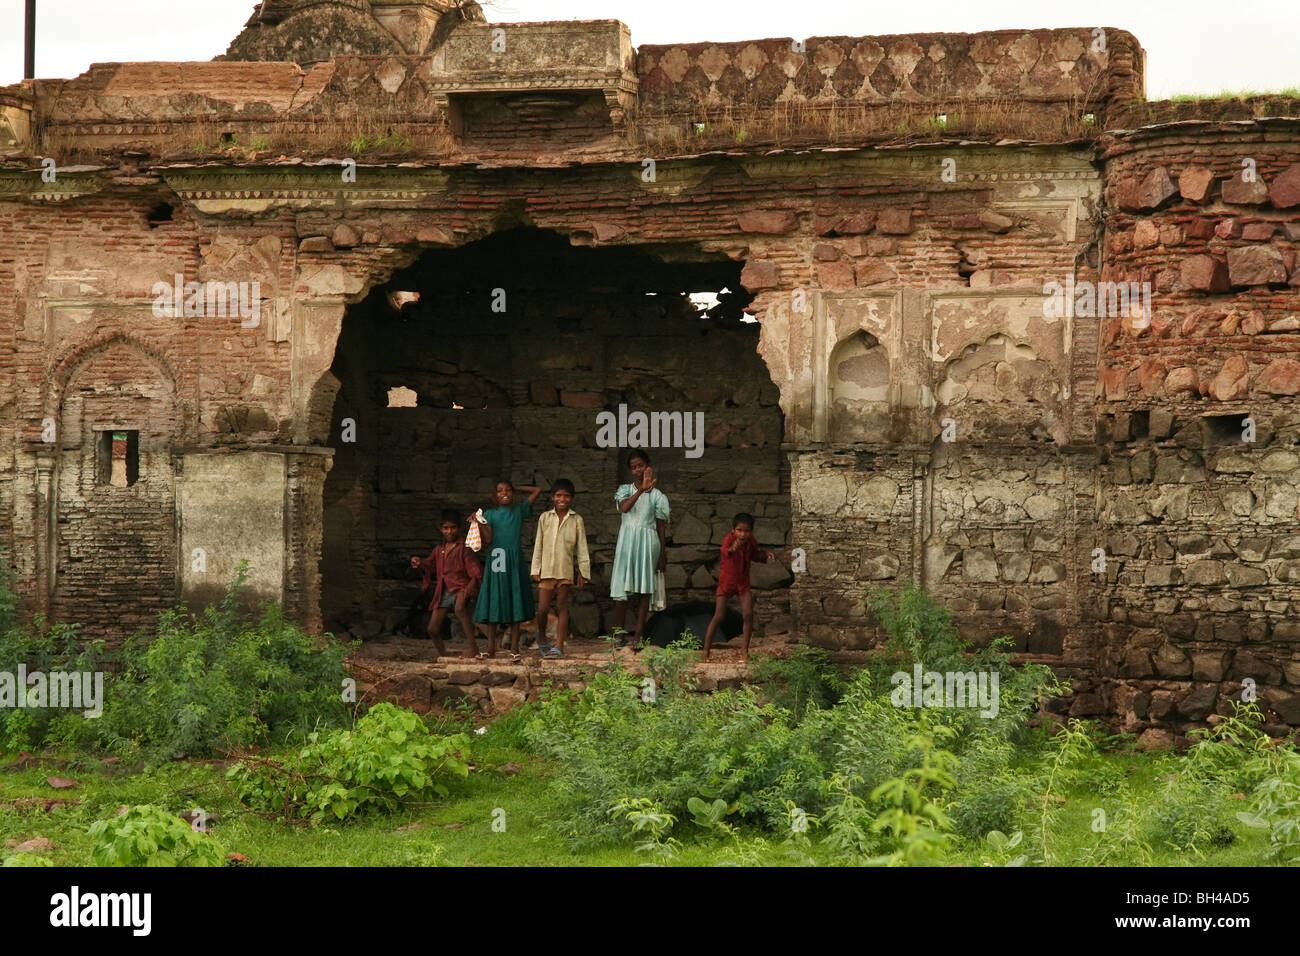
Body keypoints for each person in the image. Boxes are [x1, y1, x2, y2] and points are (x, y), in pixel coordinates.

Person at [471, 479, 541, 659]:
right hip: (497, 556)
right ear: (495, 495)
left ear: (513, 493)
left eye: (508, 490)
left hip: (514, 558)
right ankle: (491, 648)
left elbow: (537, 490)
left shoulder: (518, 510)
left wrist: (517, 486)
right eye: (500, 491)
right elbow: (488, 540)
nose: (504, 493)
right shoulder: (490, 514)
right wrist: (479, 523)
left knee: (514, 599)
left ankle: (515, 649)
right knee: (496, 597)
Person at [608, 449, 669, 648]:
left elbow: (661, 527)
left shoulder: (659, 497)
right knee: (622, 590)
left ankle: (638, 637)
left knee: (644, 592)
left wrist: (662, 555)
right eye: (633, 467)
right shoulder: (625, 490)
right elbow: (624, 508)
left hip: (648, 543)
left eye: (640, 466)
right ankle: (618, 636)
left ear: (648, 466)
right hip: (627, 543)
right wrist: (641, 489)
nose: (636, 470)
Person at [702, 512, 778, 663]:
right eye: (739, 530)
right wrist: (732, 549)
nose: (743, 534)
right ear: (733, 530)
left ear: (751, 531)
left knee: (748, 615)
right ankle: (705, 651)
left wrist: (766, 555)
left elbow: (755, 555)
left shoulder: (751, 542)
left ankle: (744, 651)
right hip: (727, 583)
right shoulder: (728, 540)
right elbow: (725, 552)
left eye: (747, 531)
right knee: (719, 617)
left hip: (743, 583)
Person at [530, 478, 591, 658]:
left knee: (562, 606)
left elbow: (582, 547)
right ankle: (542, 637)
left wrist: (583, 571)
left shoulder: (576, 520)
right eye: (558, 495)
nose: (562, 499)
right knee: (542, 609)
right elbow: (538, 544)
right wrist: (535, 568)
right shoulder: (545, 518)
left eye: (566, 496)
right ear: (552, 498)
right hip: (547, 570)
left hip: (565, 570)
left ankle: (559, 646)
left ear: (571, 498)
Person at [410, 510, 483, 658]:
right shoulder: (439, 549)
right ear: (441, 529)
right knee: (432, 628)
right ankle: (444, 654)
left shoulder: (465, 547)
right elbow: (429, 565)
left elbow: (475, 572)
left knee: (460, 609)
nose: (449, 531)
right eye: (446, 528)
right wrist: (419, 562)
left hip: (461, 587)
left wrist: (468, 590)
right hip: (444, 589)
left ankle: (474, 649)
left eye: (453, 527)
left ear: (459, 528)